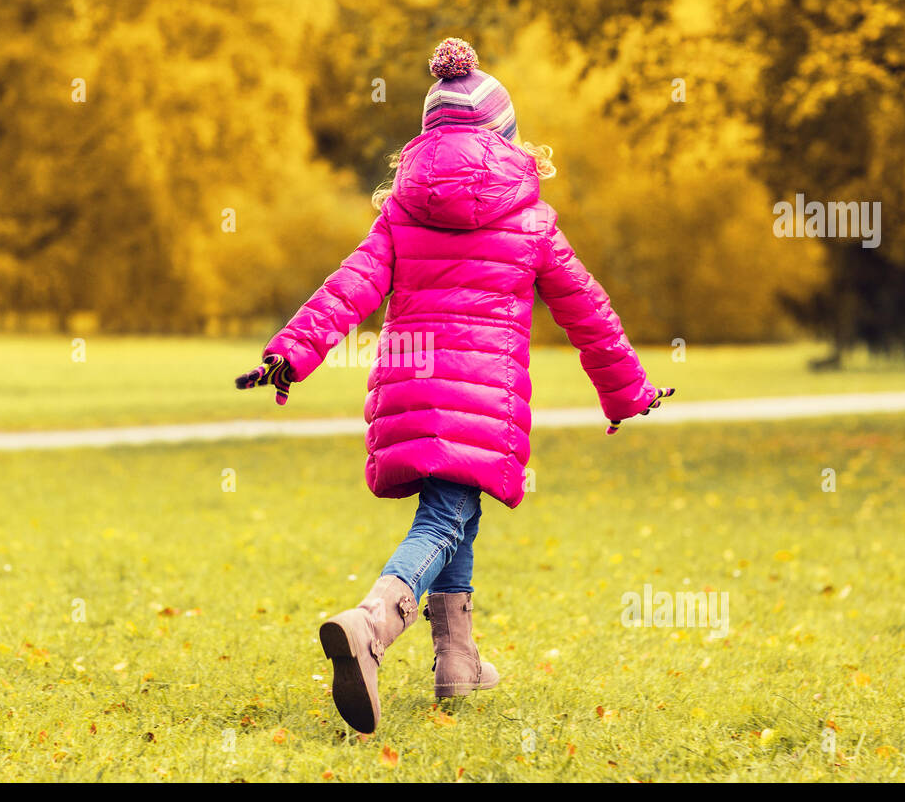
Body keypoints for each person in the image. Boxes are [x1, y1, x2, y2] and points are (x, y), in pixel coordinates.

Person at [237, 38, 673, 733]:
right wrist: (627, 392)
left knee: (455, 508)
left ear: (425, 138)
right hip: (483, 398)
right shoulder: (531, 221)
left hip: (411, 387)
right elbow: (589, 311)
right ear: (508, 135)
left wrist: (292, 353)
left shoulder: (401, 213)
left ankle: (459, 662)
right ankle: (372, 623)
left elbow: (350, 288)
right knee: (445, 516)